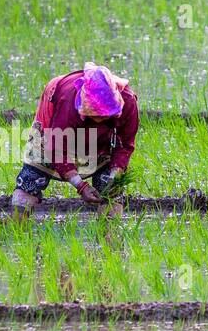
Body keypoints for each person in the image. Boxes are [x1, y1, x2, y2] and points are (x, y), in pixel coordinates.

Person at [11, 62, 138, 216]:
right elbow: (56, 148)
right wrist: (80, 186)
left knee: (111, 187)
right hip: (56, 123)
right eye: (93, 116)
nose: (98, 120)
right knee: (32, 176)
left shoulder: (127, 102)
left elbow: (125, 145)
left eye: (103, 116)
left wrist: (115, 174)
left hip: (103, 139)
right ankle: (16, 223)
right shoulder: (67, 102)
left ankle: (110, 234)